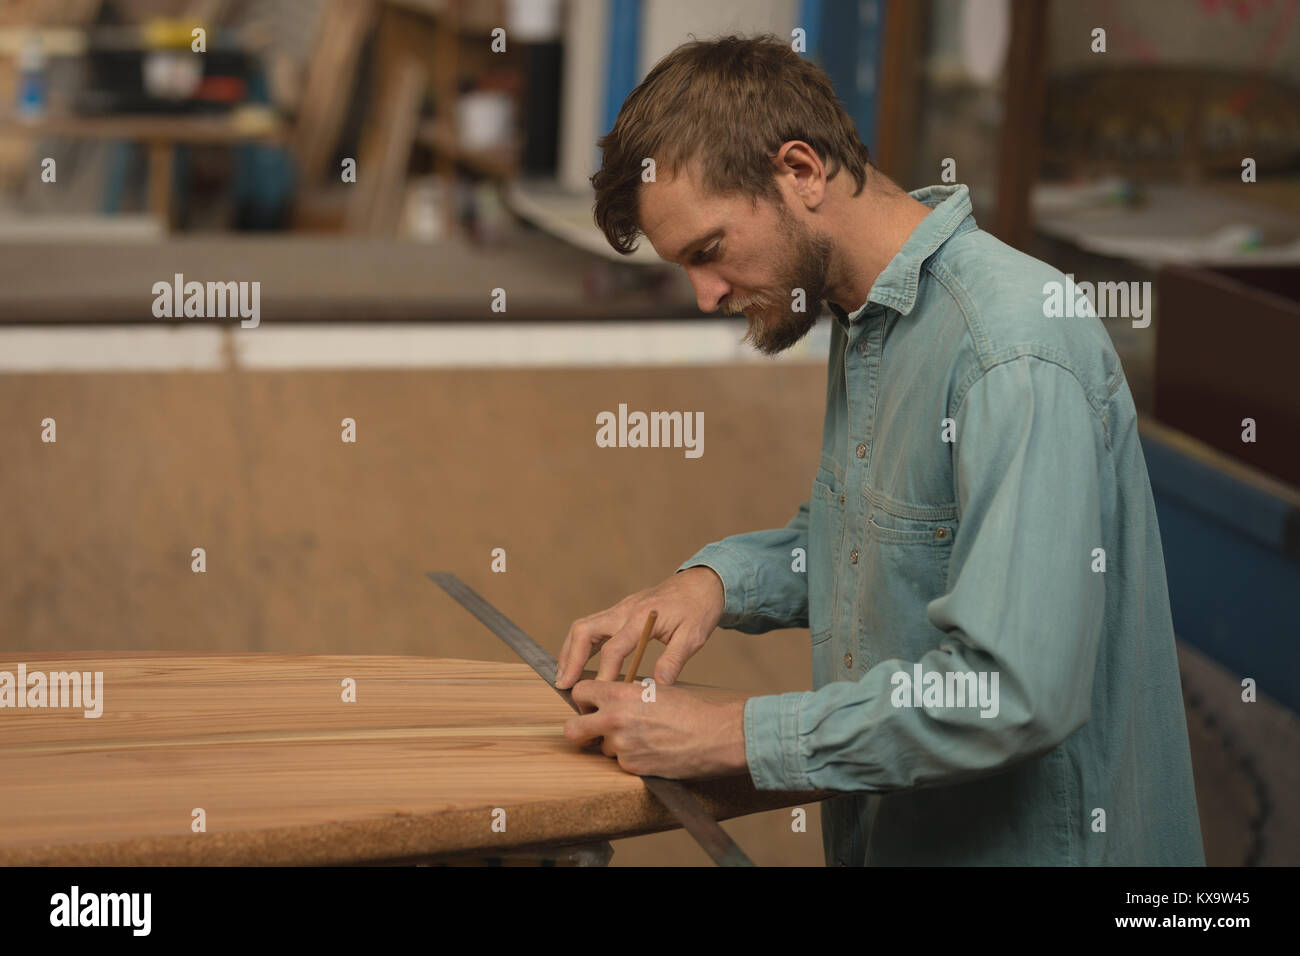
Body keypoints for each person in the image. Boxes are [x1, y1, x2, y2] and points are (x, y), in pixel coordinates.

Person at [555, 34, 1205, 866]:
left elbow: (1010, 693)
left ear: (800, 172)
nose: (707, 294)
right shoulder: (870, 315)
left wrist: (737, 733)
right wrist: (713, 582)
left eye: (709, 252)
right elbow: (885, 542)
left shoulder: (1011, 347)